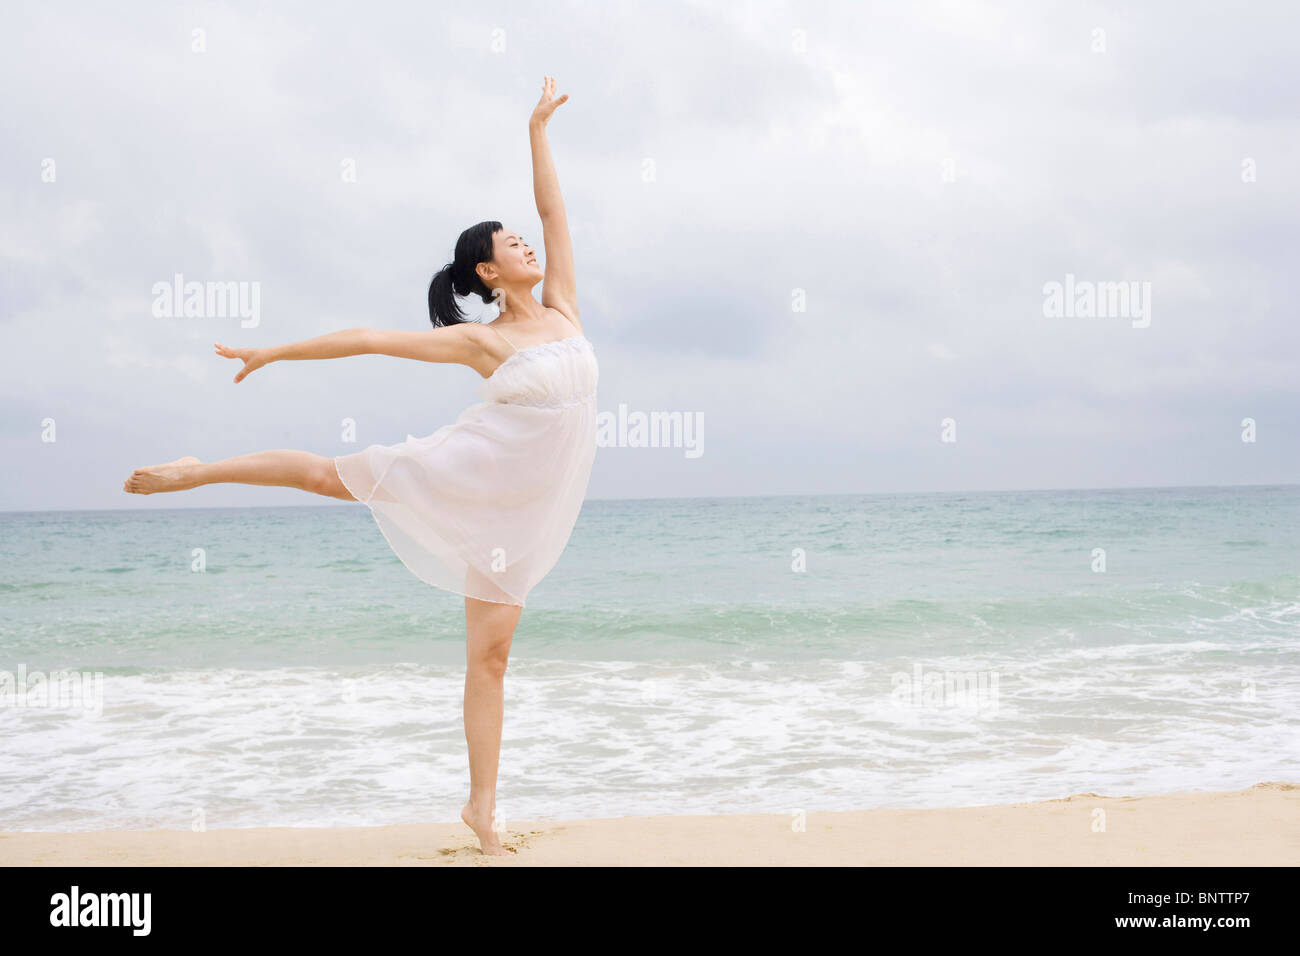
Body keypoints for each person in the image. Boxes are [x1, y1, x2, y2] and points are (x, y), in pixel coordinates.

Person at [123, 76, 595, 856]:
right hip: (468, 472)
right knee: (325, 477)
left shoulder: (566, 309)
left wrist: (537, 128)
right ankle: (196, 470)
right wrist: (274, 350)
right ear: (486, 272)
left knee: (492, 657)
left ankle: (482, 810)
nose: (529, 246)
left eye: (523, 240)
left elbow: (555, 210)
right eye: (512, 245)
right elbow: (371, 337)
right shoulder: (484, 341)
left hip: (520, 512)